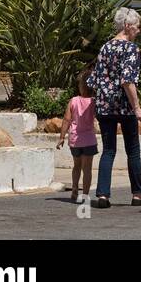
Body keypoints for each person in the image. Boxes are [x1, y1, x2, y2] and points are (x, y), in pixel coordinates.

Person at [88, 7, 141, 208]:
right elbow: (128, 80)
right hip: (124, 106)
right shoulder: (131, 49)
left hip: (104, 105)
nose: (139, 30)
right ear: (127, 26)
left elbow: (94, 79)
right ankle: (137, 193)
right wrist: (137, 107)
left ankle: (102, 195)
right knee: (133, 149)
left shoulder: (105, 47)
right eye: (137, 26)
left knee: (108, 150)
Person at [57, 69, 98, 204]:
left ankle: (75, 188)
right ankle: (85, 194)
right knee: (87, 169)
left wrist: (62, 137)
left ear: (81, 86)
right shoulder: (94, 102)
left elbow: (66, 120)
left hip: (75, 140)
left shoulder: (73, 101)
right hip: (89, 140)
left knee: (76, 166)